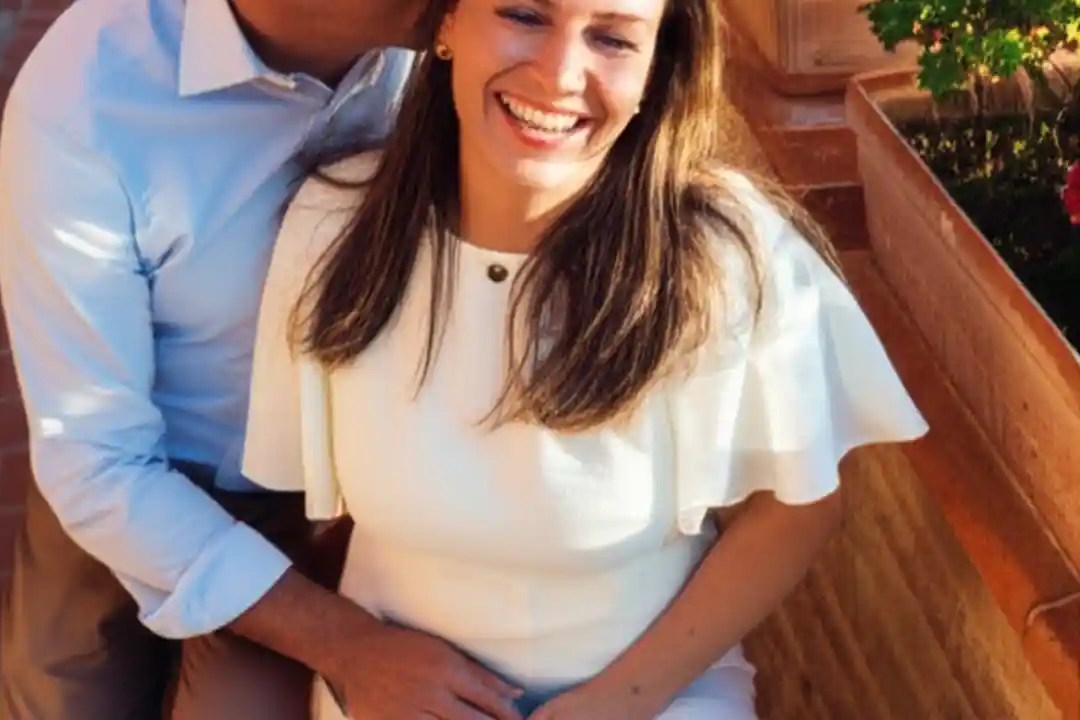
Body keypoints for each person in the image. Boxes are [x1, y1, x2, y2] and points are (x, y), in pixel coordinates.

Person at [242, 0, 930, 717]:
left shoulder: (728, 256)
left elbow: (797, 510)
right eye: (524, 14)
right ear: (446, 22)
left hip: (656, 694)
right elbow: (308, 517)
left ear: (657, 68)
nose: (561, 74)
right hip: (394, 692)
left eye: (612, 38)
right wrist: (359, 657)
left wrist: (620, 700)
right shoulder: (332, 224)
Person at [0, 0, 528, 718]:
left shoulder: (464, 38)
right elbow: (94, 461)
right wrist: (348, 646)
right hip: (146, 476)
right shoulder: (87, 103)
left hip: (359, 485)